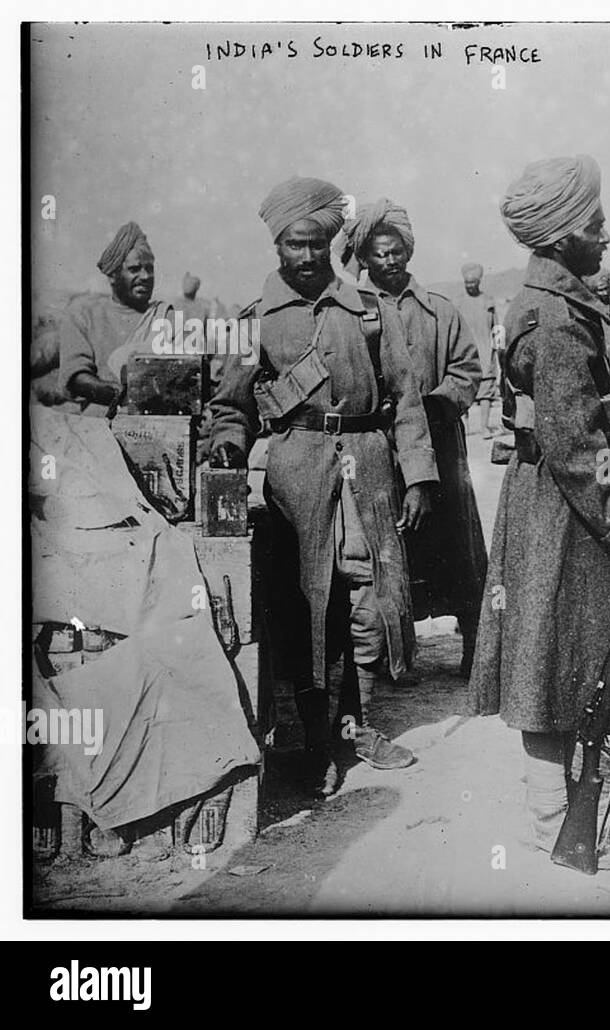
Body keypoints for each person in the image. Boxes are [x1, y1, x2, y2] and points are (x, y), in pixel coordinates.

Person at [469, 155, 610, 859]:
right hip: (564, 515)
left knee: (563, 657)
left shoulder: (556, 303)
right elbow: (572, 447)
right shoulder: (558, 317)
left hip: (560, 509)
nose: (605, 235)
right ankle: (551, 822)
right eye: (594, 225)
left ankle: (561, 813)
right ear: (563, 237)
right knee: (546, 660)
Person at [208, 175, 438, 795]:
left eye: (316, 243)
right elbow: (229, 405)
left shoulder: (370, 310)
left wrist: (417, 476)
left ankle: (357, 725)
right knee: (308, 604)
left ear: (332, 241)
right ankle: (311, 737)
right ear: (277, 246)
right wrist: (229, 440)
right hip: (296, 470)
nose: (306, 257)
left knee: (370, 595)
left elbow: (408, 402)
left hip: (368, 465)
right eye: (293, 245)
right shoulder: (252, 320)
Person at [342, 198, 489, 679]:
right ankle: (392, 654)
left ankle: (473, 644)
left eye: (397, 252)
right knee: (389, 550)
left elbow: (468, 370)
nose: (390, 261)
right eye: (380, 254)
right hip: (381, 450)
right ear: (363, 258)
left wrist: (435, 405)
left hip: (442, 450)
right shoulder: (352, 313)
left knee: (459, 549)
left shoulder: (440, 312)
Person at [59, 221, 175, 416]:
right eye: (135, 269)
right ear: (113, 274)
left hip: (157, 424)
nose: (146, 276)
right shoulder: (84, 314)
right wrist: (127, 394)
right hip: (98, 425)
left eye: (150, 269)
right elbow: (76, 377)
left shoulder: (165, 316)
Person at [455, 262, 500, 437]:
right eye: (467, 282)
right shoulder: (457, 302)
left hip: (485, 351)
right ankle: (465, 426)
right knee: (462, 388)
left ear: (479, 281)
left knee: (486, 390)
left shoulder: (487, 301)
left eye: (473, 282)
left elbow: (497, 327)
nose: (470, 285)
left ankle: (484, 426)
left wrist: (500, 350)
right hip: (464, 352)